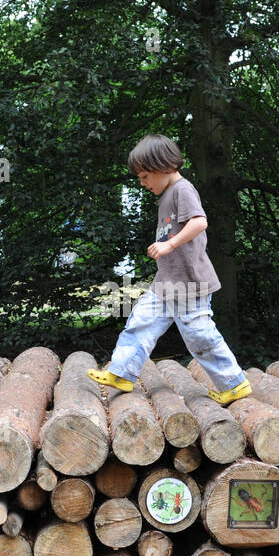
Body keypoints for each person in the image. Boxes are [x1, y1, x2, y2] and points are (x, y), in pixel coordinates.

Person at [88, 134, 252, 404]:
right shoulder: (166, 194)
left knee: (200, 336)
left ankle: (234, 384)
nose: (142, 184)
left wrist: (169, 245)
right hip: (166, 283)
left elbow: (200, 222)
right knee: (139, 323)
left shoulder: (183, 190)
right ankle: (121, 373)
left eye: (144, 177)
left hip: (189, 283)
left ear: (162, 166)